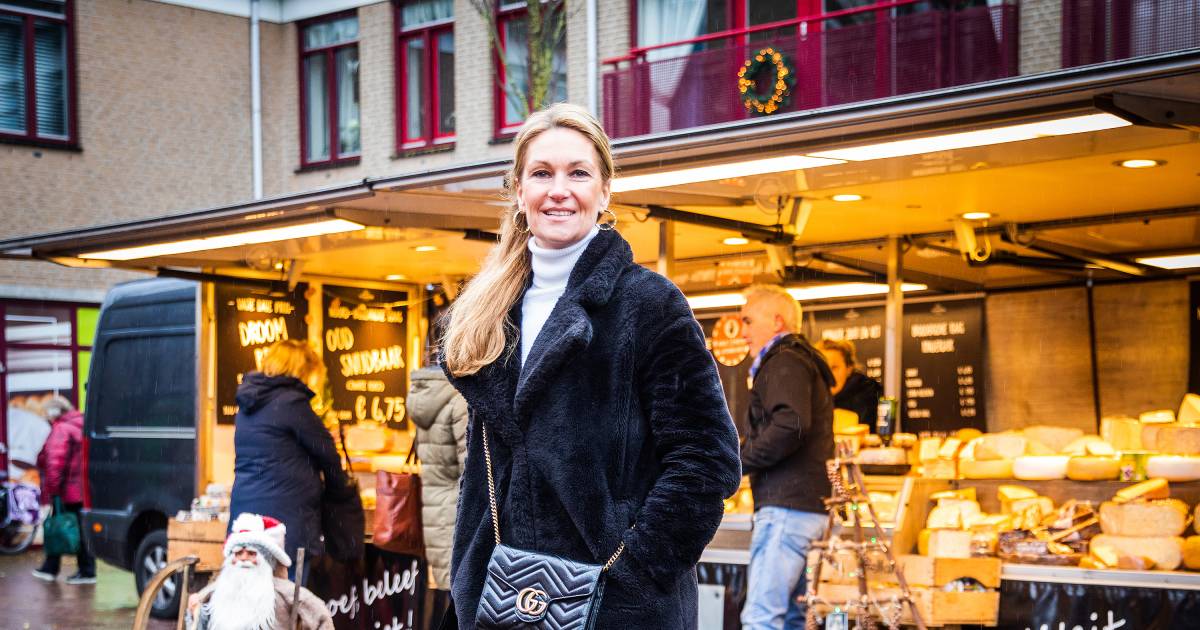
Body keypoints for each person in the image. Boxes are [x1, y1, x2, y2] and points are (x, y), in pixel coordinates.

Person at [439, 103, 741, 628]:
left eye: (578, 173)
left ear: (604, 192)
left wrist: (631, 574)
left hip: (618, 606)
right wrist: (468, 578)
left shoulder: (648, 304)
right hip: (505, 600)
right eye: (541, 173)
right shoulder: (486, 312)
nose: (559, 190)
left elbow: (705, 460)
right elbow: (483, 474)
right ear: (518, 191)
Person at [738, 285, 835, 630]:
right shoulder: (802, 359)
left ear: (777, 321)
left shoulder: (784, 360)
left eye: (749, 320)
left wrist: (737, 462)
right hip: (806, 511)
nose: (743, 330)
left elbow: (790, 424)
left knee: (762, 618)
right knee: (796, 618)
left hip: (786, 512)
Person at [229, 339, 350, 581]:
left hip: (246, 522)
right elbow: (328, 455)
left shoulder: (247, 404)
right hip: (284, 528)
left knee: (250, 603)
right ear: (300, 369)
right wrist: (340, 493)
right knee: (285, 605)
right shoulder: (293, 403)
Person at [408, 326, 468, 626]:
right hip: (455, 514)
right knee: (459, 600)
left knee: (448, 597)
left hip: (436, 508)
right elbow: (471, 472)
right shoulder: (458, 399)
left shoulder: (427, 394)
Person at [186, 512, 333, 630]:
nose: (243, 559)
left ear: (266, 560)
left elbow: (321, 617)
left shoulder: (284, 592)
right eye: (238, 553)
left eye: (251, 553)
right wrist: (196, 612)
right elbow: (201, 622)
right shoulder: (220, 590)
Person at [32, 395, 96, 584]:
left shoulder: (61, 429)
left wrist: (52, 490)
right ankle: (54, 567)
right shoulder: (82, 423)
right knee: (78, 528)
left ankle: (84, 571)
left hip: (67, 490)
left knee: (63, 527)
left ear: (54, 412)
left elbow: (54, 462)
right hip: (84, 488)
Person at [819, 338, 883, 430]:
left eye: (834, 368)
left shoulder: (868, 396)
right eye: (822, 367)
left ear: (849, 369)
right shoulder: (808, 397)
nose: (828, 374)